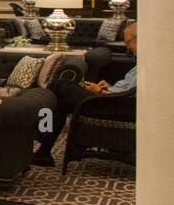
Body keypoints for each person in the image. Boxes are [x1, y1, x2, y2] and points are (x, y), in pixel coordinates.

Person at [33, 22, 137, 166]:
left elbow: (130, 94)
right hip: (110, 98)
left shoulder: (147, 63)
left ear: (138, 39)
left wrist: (101, 91)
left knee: (56, 86)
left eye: (128, 42)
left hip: (109, 104)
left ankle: (42, 132)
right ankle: (43, 152)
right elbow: (129, 88)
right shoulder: (142, 61)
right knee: (61, 102)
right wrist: (110, 87)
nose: (126, 46)